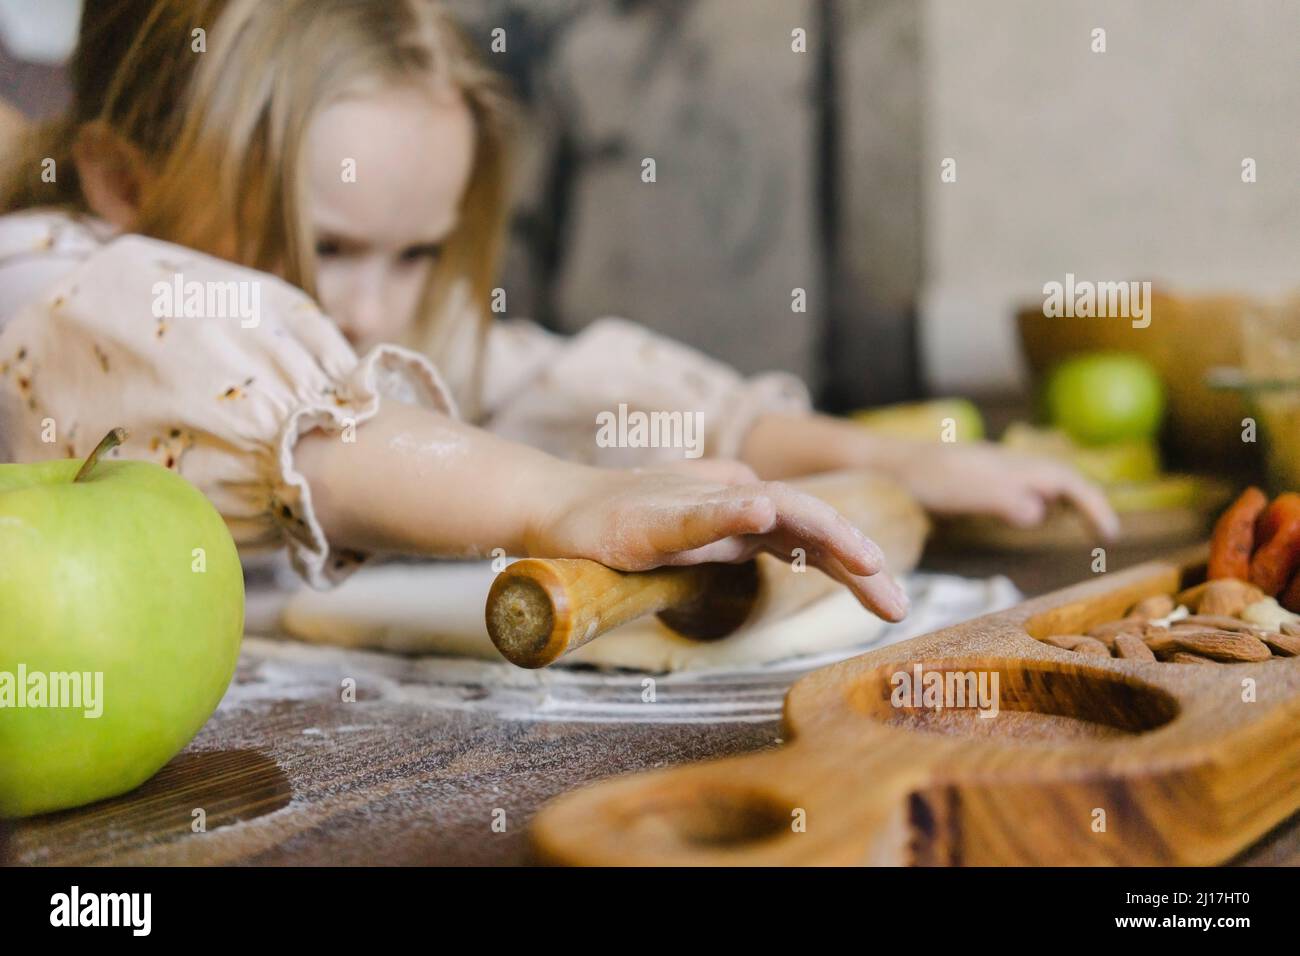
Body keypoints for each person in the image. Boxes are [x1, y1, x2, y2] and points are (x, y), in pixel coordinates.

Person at [0, 0, 1116, 630]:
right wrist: (562, 499)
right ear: (124, 184)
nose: (372, 302)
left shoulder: (366, 319)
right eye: (329, 244)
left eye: (418, 251)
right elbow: (305, 431)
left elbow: (546, 379)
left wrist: (875, 459)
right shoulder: (45, 279)